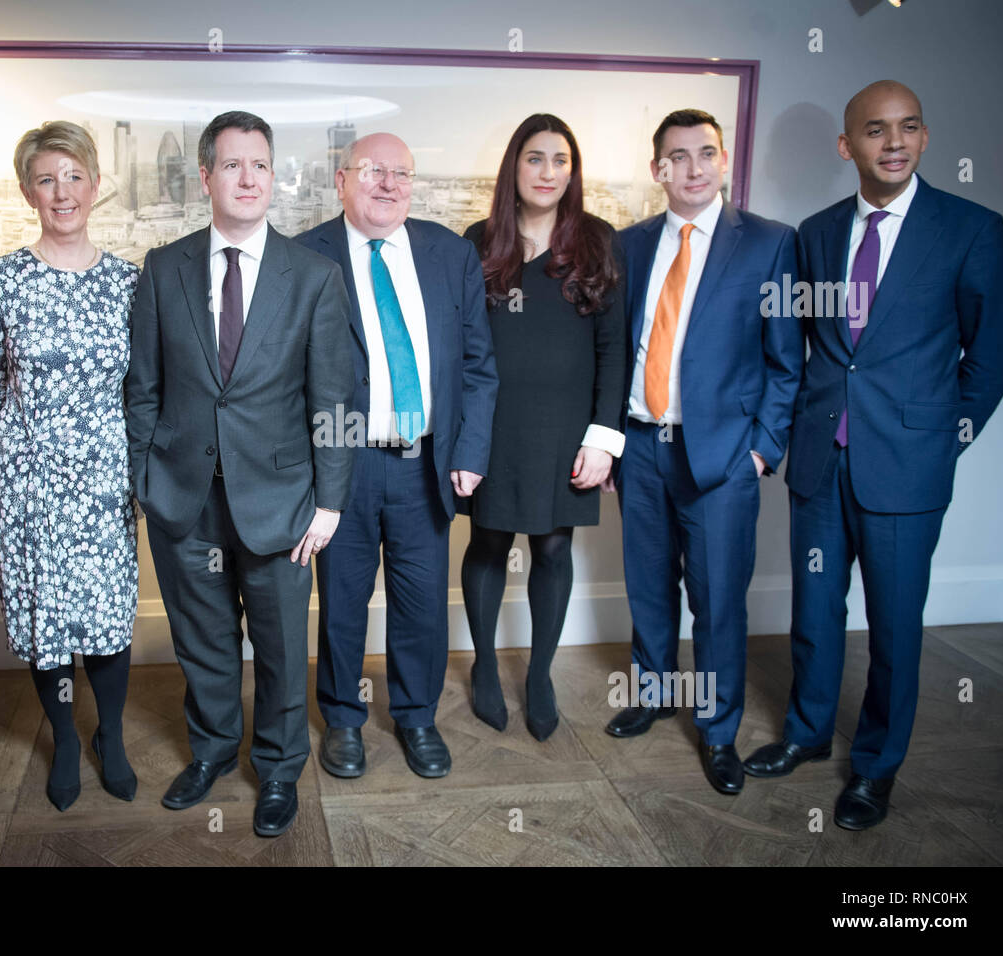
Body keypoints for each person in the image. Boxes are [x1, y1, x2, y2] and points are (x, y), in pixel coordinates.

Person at [744, 81, 1003, 829]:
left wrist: (945, 432)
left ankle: (874, 769)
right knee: (815, 611)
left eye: (908, 127)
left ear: (924, 139)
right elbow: (801, 345)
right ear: (848, 146)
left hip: (908, 469)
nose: (892, 141)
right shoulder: (818, 232)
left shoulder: (970, 229)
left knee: (895, 628)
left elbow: (992, 354)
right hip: (821, 464)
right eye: (874, 130)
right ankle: (803, 733)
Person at [125, 111, 355, 837]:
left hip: (284, 502)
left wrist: (330, 503)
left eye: (260, 164)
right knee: (203, 640)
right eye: (232, 165)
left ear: (273, 175)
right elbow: (143, 388)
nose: (248, 177)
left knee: (285, 647)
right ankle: (214, 751)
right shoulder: (165, 268)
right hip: (184, 501)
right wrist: (145, 478)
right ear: (206, 178)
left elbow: (334, 401)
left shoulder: (314, 277)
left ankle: (280, 769)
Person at [607, 110, 804, 795]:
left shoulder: (771, 244)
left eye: (706, 154)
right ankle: (654, 691)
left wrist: (761, 449)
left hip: (722, 457)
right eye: (678, 156)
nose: (694, 168)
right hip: (641, 446)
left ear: (723, 161)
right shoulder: (630, 246)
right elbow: (614, 351)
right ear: (658, 167)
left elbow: (787, 362)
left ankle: (718, 730)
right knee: (648, 584)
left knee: (718, 600)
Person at [296, 133, 498, 780]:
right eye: (373, 171)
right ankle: (344, 721)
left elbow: (478, 365)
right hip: (343, 465)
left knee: (420, 604)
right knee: (343, 602)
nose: (387, 184)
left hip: (426, 463)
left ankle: (416, 716)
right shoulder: (305, 257)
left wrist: (469, 449)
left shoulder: (451, 253)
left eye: (401, 174)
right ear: (341, 179)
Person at [0, 121, 141, 812]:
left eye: (74, 176)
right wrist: (38, 437)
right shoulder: (3, 278)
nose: (62, 190)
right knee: (48, 618)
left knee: (106, 615)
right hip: (31, 481)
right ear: (27, 191)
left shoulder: (130, 284)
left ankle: (114, 738)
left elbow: (143, 387)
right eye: (47, 178)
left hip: (104, 480)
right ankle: (66, 739)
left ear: (96, 186)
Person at [459, 114, 627, 741]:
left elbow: (616, 353)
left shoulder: (599, 243)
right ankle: (481, 666)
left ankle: (540, 675)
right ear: (515, 167)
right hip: (494, 426)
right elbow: (459, 351)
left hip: (568, 432)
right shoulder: (478, 241)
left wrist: (603, 438)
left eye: (561, 160)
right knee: (490, 543)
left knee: (554, 547)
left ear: (573, 172)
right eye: (536, 158)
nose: (548, 172)